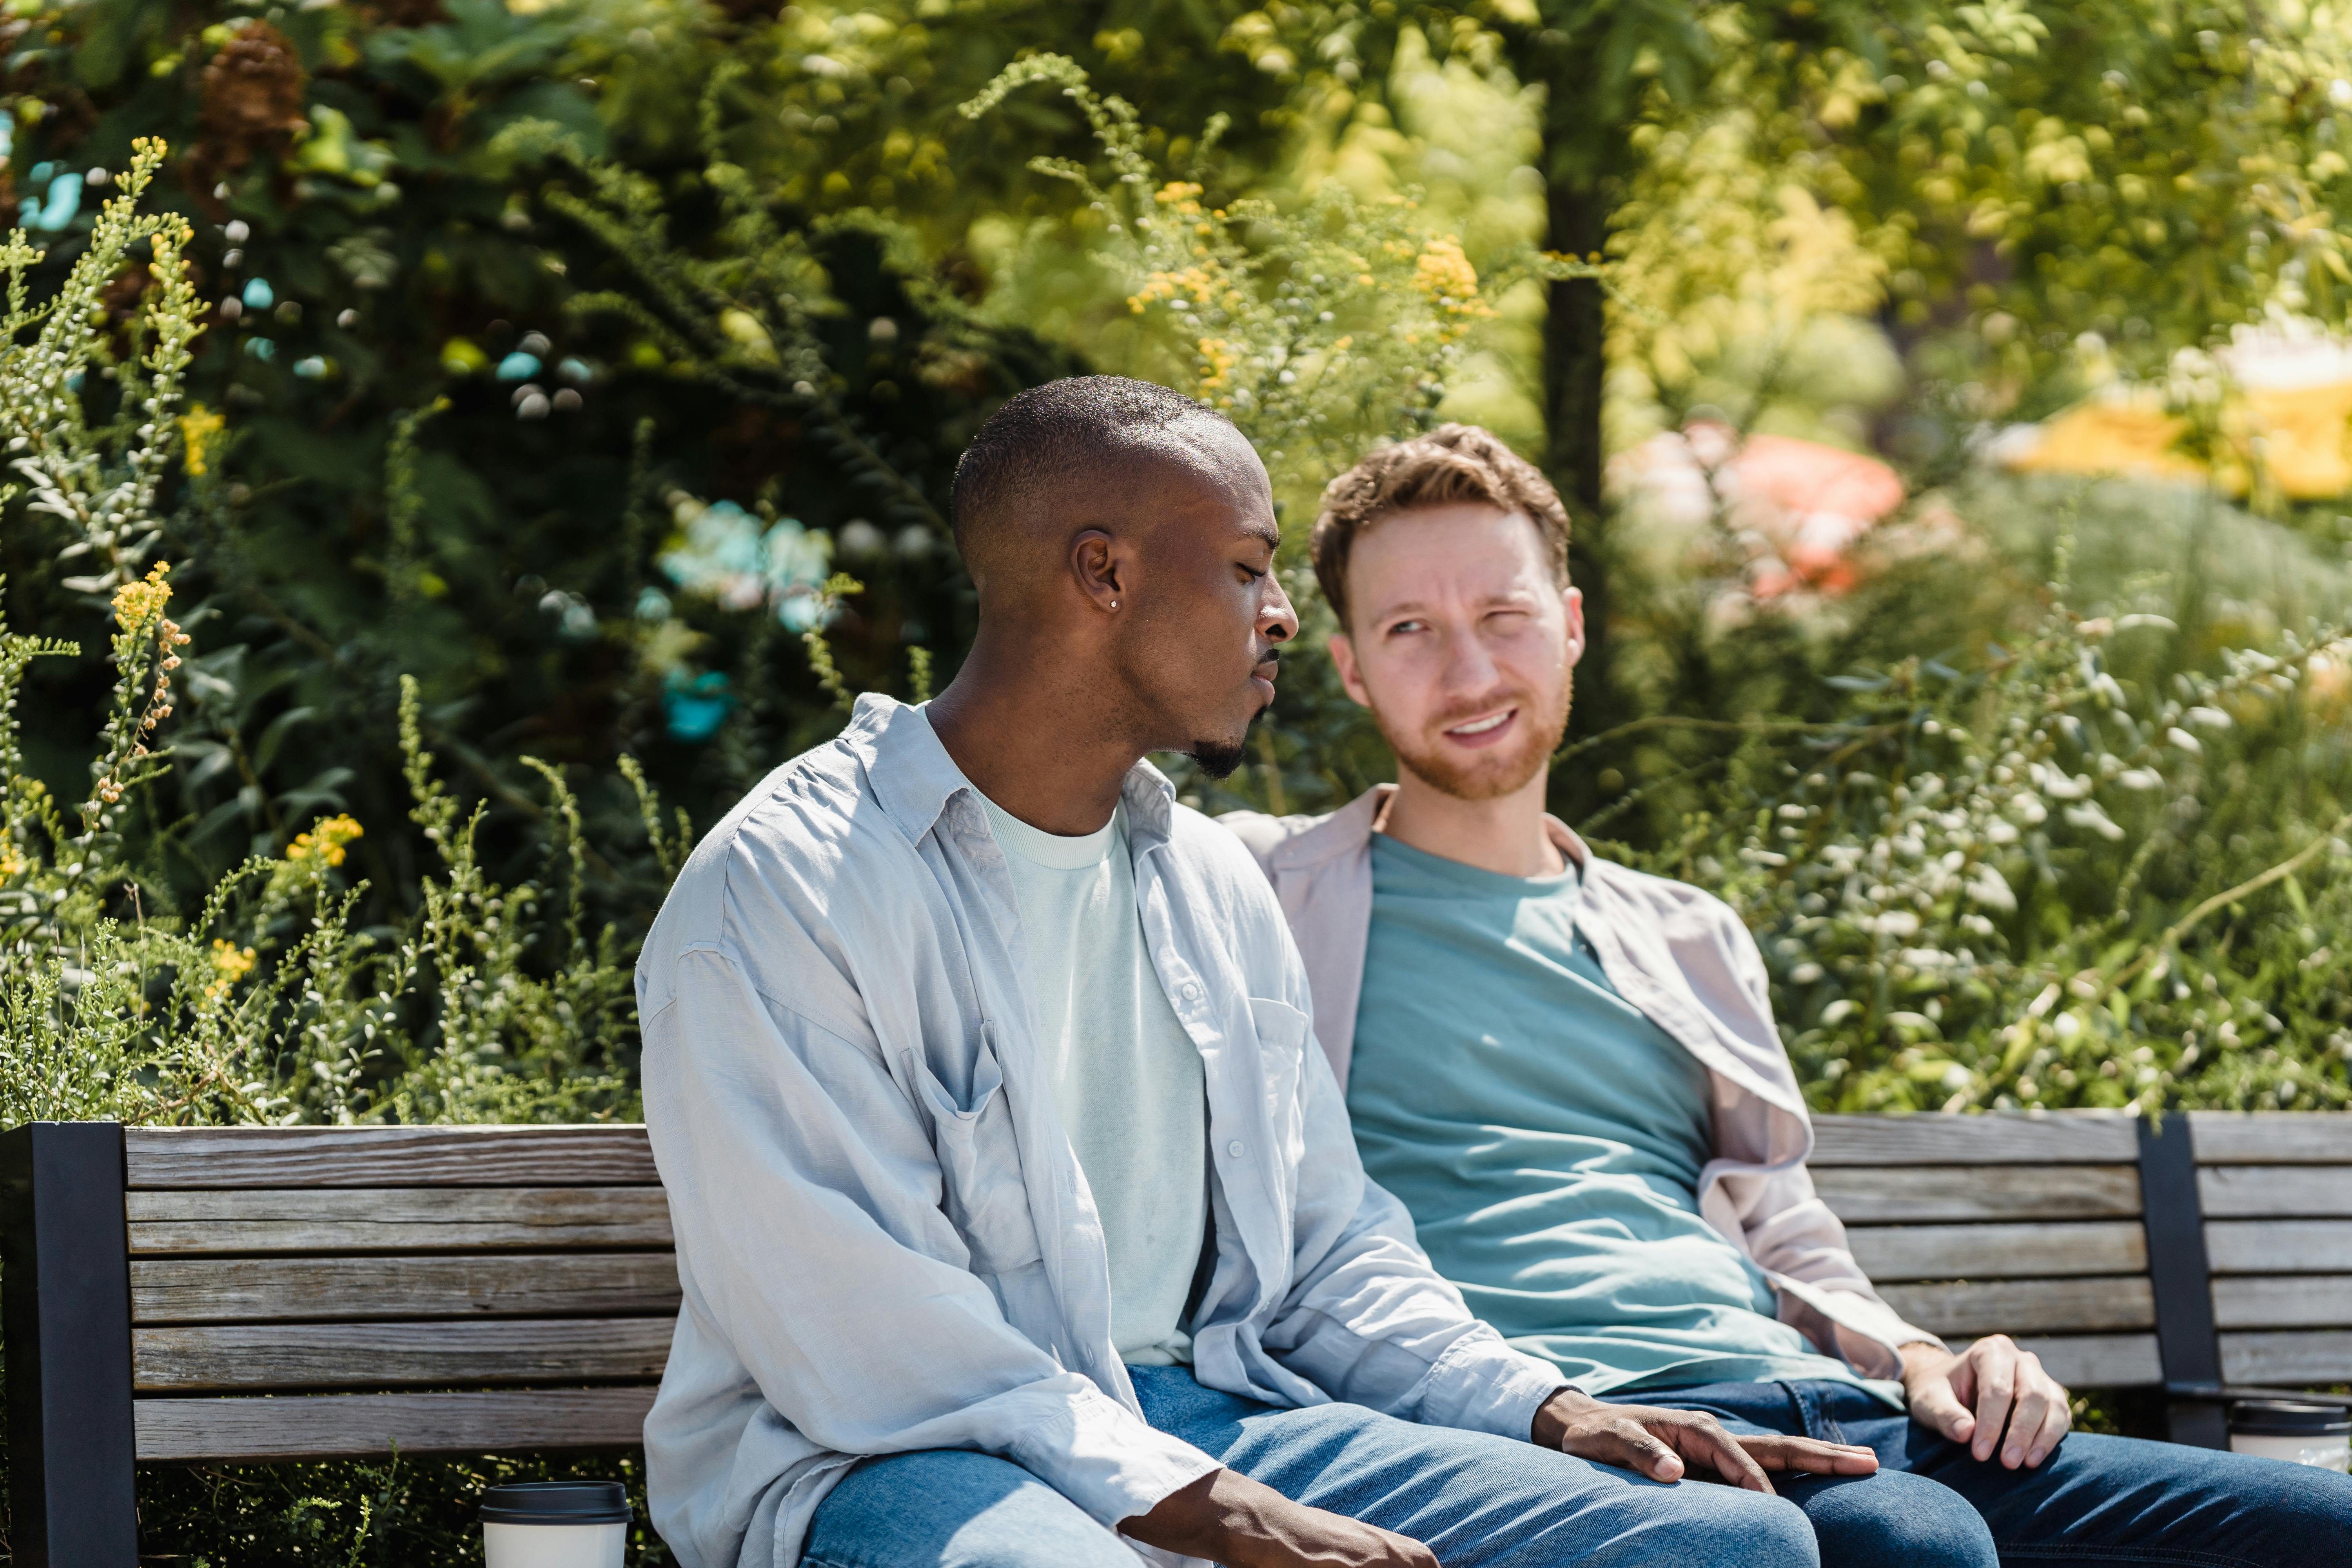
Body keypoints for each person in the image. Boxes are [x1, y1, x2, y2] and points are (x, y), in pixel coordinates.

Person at [635, 378, 1887, 1568]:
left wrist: (1543, 1408)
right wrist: (1205, 1510)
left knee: (1726, 1545)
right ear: (1103, 573)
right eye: (1246, 566)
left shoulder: (1207, 880)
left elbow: (1329, 1249)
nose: (1283, 610)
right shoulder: (791, 884)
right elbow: (861, 1333)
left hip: (1211, 1411)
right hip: (898, 1453)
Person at [1223, 421, 2352, 1568]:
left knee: (2325, 1528)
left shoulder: (1686, 935)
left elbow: (1787, 1230)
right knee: (1911, 1544)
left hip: (1822, 1400)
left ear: (1570, 626)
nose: (1469, 672)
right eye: (1410, 630)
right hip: (1564, 1436)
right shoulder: (1258, 894)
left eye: (1504, 616)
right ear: (1353, 666)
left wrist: (1922, 1354)